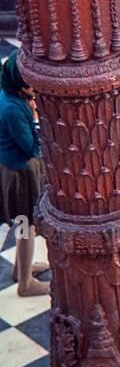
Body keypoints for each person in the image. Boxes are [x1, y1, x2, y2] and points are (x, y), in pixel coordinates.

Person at [0, 50, 50, 298]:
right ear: (19, 84)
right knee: (25, 226)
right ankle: (26, 284)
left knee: (23, 225)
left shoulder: (8, 98)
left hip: (14, 170)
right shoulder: (14, 110)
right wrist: (36, 117)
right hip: (20, 175)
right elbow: (30, 147)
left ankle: (21, 270)